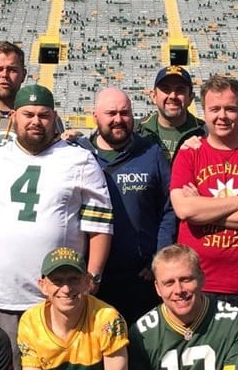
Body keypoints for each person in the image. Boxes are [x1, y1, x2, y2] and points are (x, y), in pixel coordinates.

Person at [0, 83, 113, 361]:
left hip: (58, 294)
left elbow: (99, 225)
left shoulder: (79, 159)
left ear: (54, 117)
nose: (36, 122)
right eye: (29, 114)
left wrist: (93, 275)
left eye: (44, 115)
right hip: (1, 291)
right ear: (14, 115)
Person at [170, 74, 238, 330]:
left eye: (230, 108)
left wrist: (204, 209)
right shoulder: (189, 153)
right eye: (215, 109)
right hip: (200, 287)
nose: (223, 116)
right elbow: (185, 209)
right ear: (204, 111)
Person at [74, 87, 176, 322]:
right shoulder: (78, 154)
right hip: (91, 278)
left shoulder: (151, 152)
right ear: (95, 116)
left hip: (142, 279)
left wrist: (158, 257)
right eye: (111, 113)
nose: (118, 119)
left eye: (125, 113)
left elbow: (169, 209)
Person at [138, 65, 206, 161]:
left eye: (180, 90)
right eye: (166, 89)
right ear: (154, 96)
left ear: (190, 98)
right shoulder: (137, 131)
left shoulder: (205, 134)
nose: (173, 96)